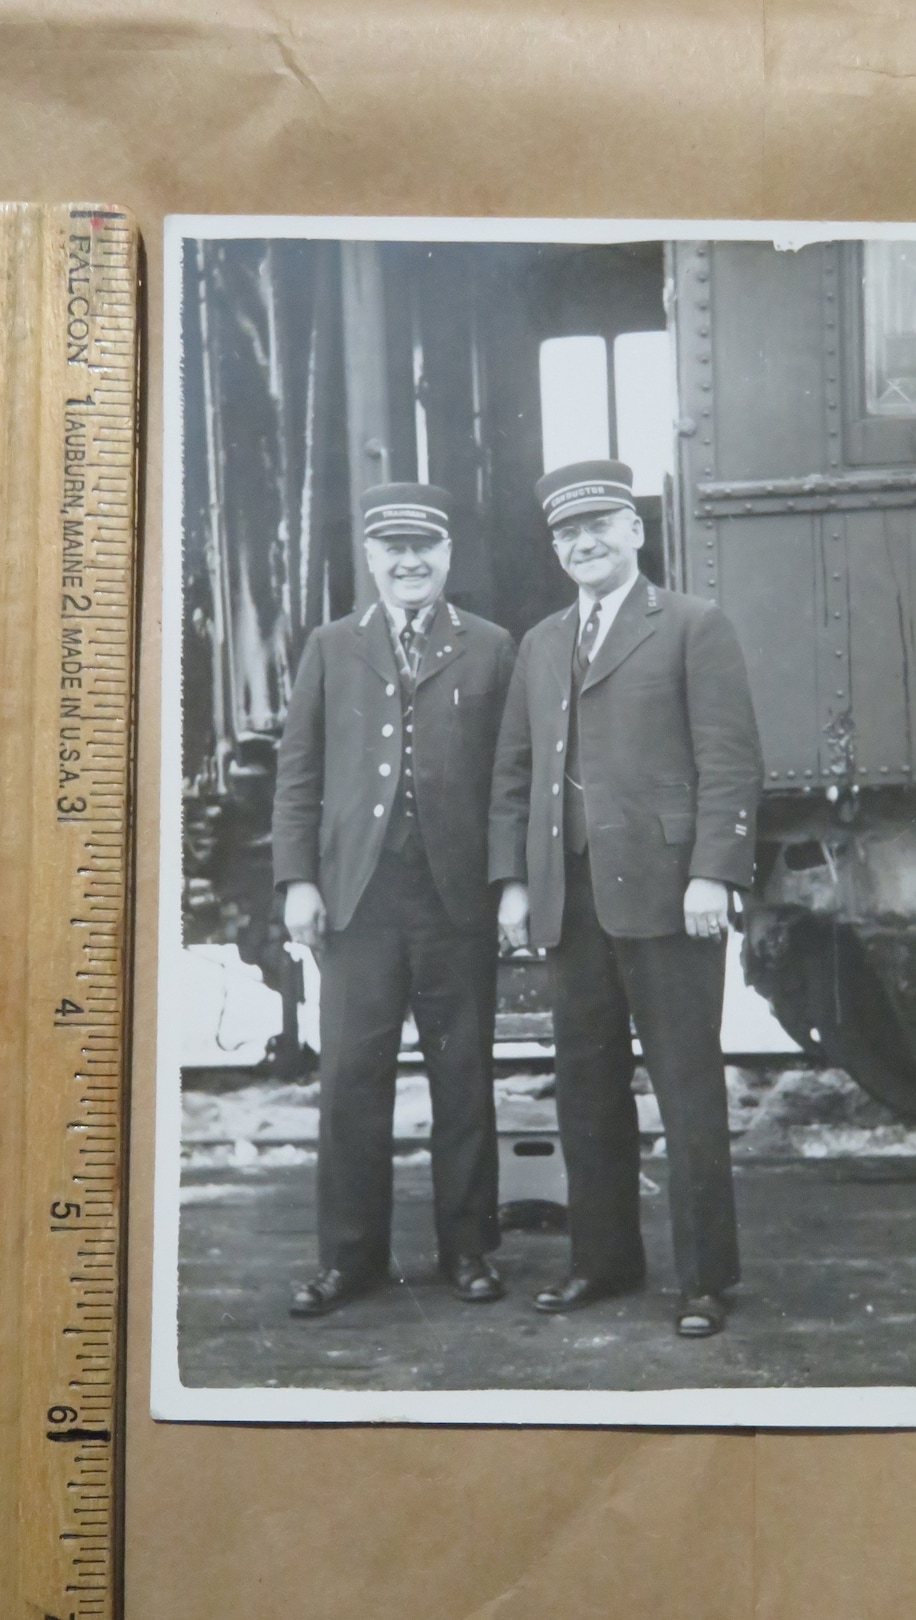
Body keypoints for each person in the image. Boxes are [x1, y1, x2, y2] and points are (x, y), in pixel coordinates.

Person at [489, 459, 763, 1337]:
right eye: (568, 532)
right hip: (570, 903)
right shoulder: (539, 644)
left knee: (688, 1093)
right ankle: (601, 1263)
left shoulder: (692, 626)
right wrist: (513, 888)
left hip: (670, 898)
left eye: (600, 524)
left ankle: (704, 1282)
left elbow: (729, 761)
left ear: (635, 530)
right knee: (585, 1091)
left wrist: (713, 872)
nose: (584, 541)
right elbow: (515, 778)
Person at [272, 483, 516, 1316]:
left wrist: (508, 884)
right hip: (358, 901)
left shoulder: (490, 646)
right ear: (371, 558)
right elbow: (298, 773)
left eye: (425, 548)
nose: (410, 562)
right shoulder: (332, 647)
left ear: (447, 556)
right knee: (349, 1081)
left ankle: (470, 1252)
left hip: (457, 901)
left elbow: (509, 781)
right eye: (393, 549)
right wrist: (299, 880)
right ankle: (350, 1261)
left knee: (465, 1076)